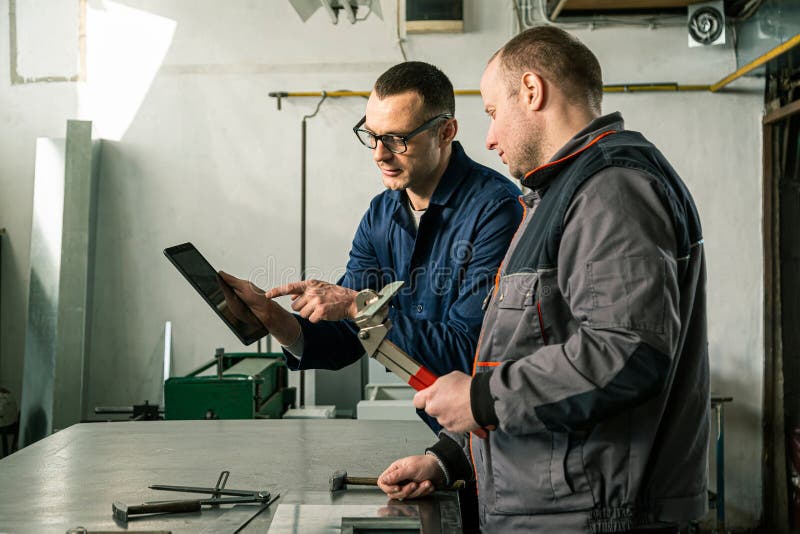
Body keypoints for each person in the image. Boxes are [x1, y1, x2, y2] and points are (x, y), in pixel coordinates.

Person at [377, 27, 710, 534]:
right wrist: (449, 458)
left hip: (593, 517)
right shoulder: (560, 196)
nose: (489, 138)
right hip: (558, 509)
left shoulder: (611, 190)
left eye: (493, 112)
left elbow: (627, 351)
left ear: (531, 91)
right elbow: (532, 351)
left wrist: (481, 398)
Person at [220, 61, 523, 431]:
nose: (379, 154)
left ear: (446, 132)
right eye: (372, 135)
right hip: (448, 434)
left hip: (499, 432)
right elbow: (347, 338)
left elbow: (470, 355)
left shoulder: (498, 211)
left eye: (397, 139)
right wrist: (272, 317)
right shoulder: (381, 215)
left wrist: (357, 305)